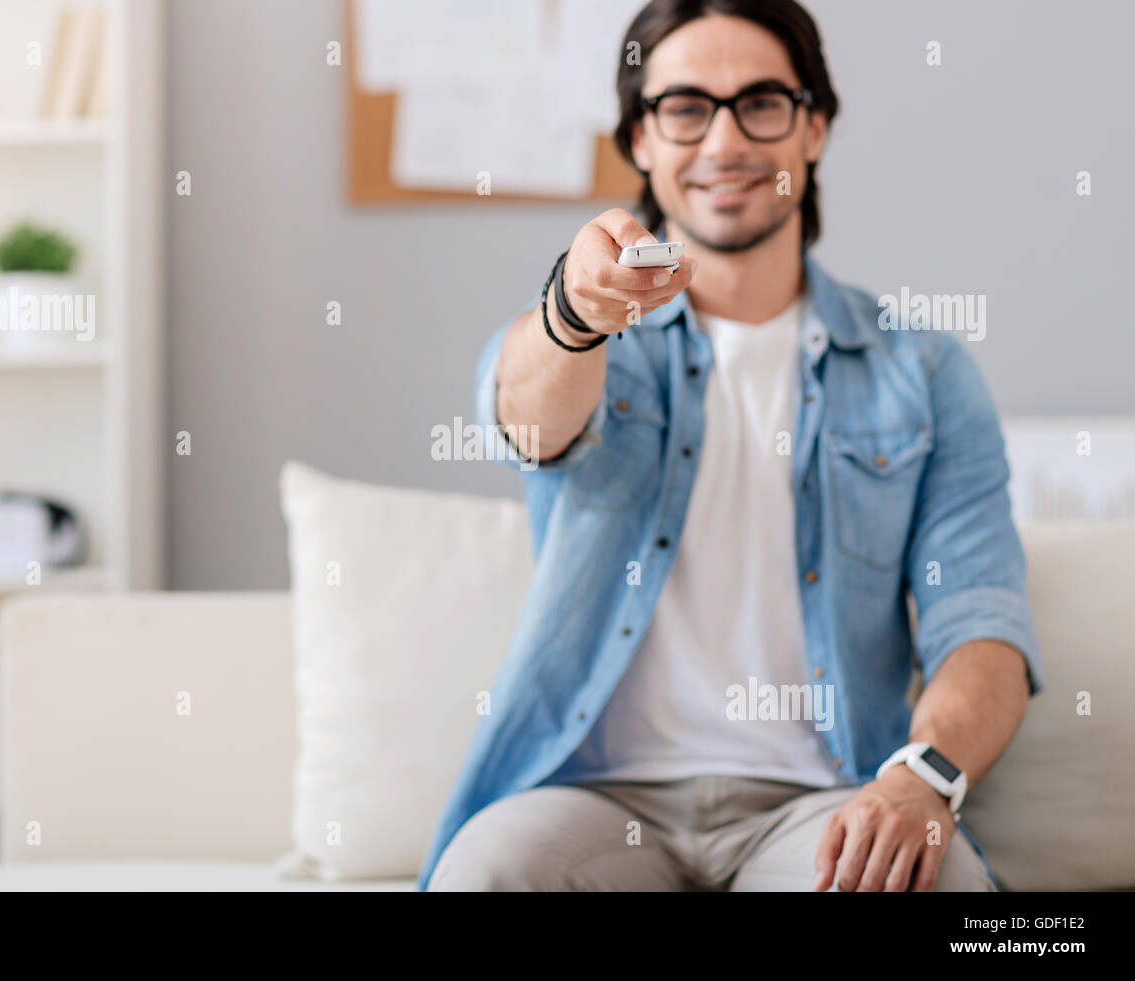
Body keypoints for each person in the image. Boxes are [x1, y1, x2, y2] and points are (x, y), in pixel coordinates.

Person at [419, 0, 1042, 892]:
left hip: (821, 803)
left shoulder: (927, 372)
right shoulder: (591, 335)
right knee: (485, 874)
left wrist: (924, 777)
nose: (722, 142)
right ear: (639, 138)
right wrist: (573, 316)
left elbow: (981, 623)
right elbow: (526, 420)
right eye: (684, 108)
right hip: (594, 801)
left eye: (761, 102)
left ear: (814, 126)